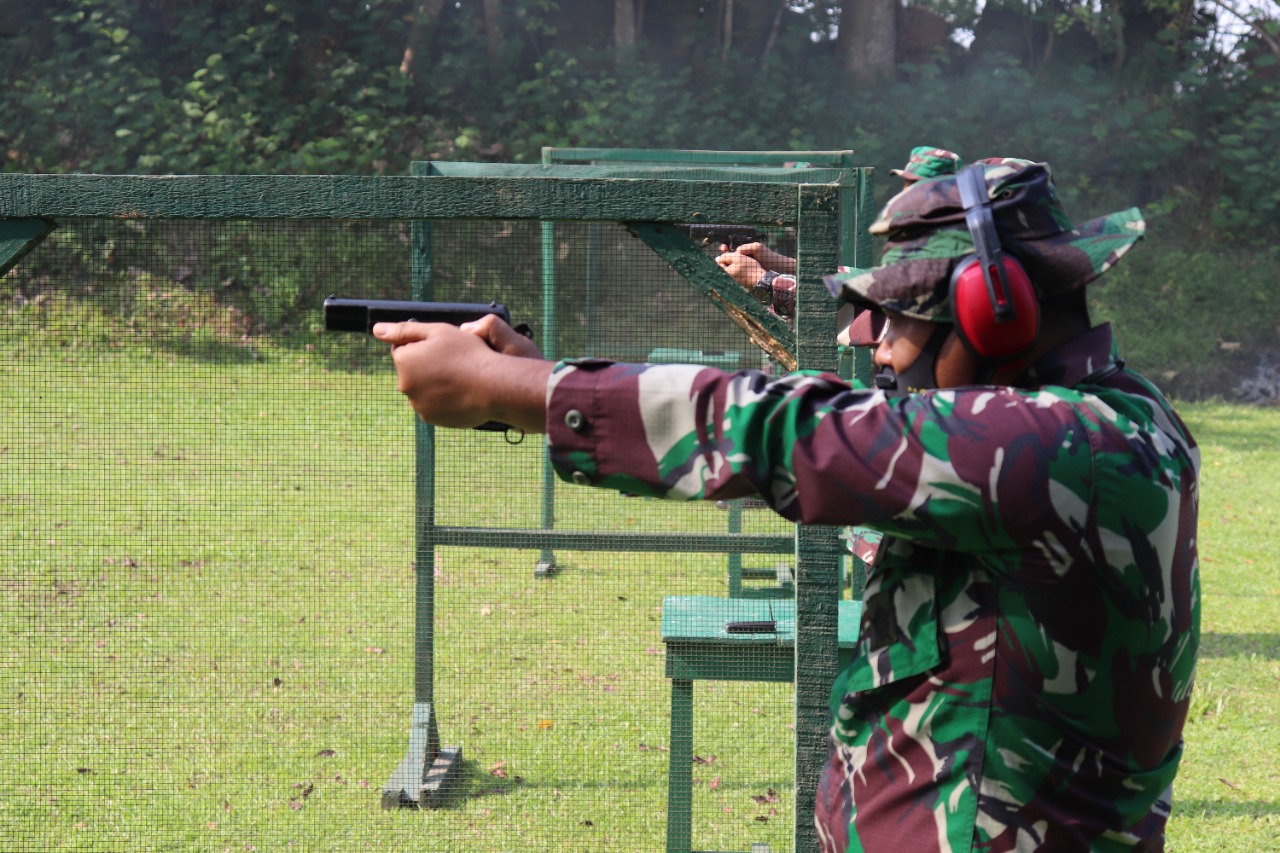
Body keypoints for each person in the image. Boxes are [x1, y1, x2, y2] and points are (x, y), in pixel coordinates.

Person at [372, 159, 1200, 852]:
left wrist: (521, 391)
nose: (870, 339)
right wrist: (544, 374)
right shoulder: (1104, 421)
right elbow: (845, 415)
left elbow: (796, 432)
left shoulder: (1066, 446)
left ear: (998, 314)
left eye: (897, 317)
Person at [716, 145, 962, 320]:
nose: (905, 195)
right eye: (907, 184)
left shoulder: (944, 257)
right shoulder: (939, 248)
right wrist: (784, 263)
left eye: (917, 187)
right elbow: (867, 278)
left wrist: (763, 280)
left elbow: (824, 304)